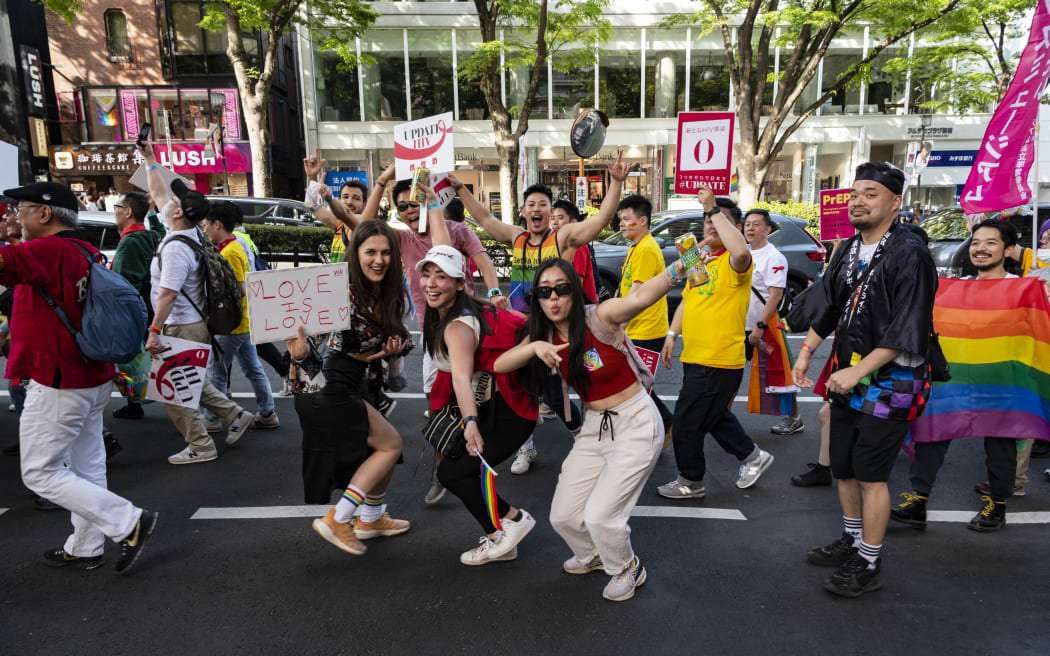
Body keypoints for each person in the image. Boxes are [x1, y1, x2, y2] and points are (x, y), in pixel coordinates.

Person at [495, 256, 686, 601]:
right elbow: (499, 363)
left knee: (601, 516)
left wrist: (685, 260)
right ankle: (595, 555)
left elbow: (642, 298)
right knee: (564, 515)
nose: (553, 298)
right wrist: (536, 346)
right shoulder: (544, 334)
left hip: (636, 422)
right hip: (596, 427)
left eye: (562, 289)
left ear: (575, 291)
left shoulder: (599, 317)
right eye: (544, 292)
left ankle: (627, 567)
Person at [792, 161, 937, 598]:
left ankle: (869, 561)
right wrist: (805, 353)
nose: (858, 200)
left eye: (870, 194)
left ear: (895, 203)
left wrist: (856, 370)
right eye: (855, 193)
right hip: (850, 376)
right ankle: (853, 541)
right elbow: (832, 307)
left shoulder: (910, 253)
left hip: (894, 381)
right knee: (845, 467)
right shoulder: (850, 250)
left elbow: (906, 329)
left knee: (872, 475)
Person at [0, 181, 157, 572]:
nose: (14, 215)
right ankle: (86, 546)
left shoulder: (45, 250)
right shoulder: (83, 249)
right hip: (91, 373)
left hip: (59, 378)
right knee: (87, 466)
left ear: (45, 213)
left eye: (21, 209)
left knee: (39, 472)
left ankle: (128, 521)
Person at [332, 164, 507, 503]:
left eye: (414, 202)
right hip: (432, 333)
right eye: (402, 206)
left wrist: (496, 289)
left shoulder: (454, 229)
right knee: (439, 401)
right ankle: (443, 467)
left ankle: (488, 460)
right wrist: (381, 181)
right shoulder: (400, 238)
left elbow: (481, 261)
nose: (409, 209)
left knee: (482, 397)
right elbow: (362, 228)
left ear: (428, 200)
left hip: (465, 327)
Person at [455, 153, 634, 473]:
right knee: (521, 389)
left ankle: (592, 437)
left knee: (579, 386)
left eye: (542, 204)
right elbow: (483, 218)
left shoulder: (562, 239)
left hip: (562, 331)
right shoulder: (516, 238)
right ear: (523, 211)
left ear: (550, 212)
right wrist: (461, 190)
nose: (536, 209)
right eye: (531, 204)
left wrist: (617, 182)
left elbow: (598, 222)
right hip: (524, 334)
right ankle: (530, 447)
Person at [287, 218, 413, 556]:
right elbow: (319, 351)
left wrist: (386, 352)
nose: (379, 259)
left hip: (349, 386)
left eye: (386, 252)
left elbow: (366, 349)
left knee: (380, 452)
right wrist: (299, 355)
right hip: (328, 388)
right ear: (354, 254)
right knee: (391, 445)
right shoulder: (338, 291)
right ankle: (338, 518)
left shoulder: (380, 293)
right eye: (370, 251)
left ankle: (371, 519)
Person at [890, 219, 1024, 532]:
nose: (980, 248)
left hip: (1001, 381)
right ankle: (917, 500)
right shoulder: (953, 288)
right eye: (976, 241)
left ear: (1007, 249)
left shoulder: (1023, 290)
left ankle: (997, 506)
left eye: (991, 242)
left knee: (1001, 444)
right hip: (954, 378)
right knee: (932, 430)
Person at [420, 241, 539, 565]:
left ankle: (512, 522)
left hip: (509, 413)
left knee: (454, 474)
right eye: (427, 273)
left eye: (441, 276)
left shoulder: (458, 325)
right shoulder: (466, 309)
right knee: (466, 471)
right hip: (499, 405)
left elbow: (460, 377)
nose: (431, 282)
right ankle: (503, 537)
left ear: (460, 283)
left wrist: (471, 423)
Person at [140, 144, 256, 464]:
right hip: (193, 324)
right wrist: (150, 160)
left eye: (175, 201)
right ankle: (236, 415)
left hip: (180, 325)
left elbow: (168, 295)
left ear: (179, 213)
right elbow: (160, 192)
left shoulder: (177, 248)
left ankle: (201, 446)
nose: (169, 202)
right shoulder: (188, 232)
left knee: (175, 393)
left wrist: (154, 330)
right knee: (193, 383)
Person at [657, 190, 774, 499]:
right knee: (713, 416)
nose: (711, 225)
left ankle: (690, 481)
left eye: (721, 222)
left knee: (686, 422)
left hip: (718, 360)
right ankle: (752, 456)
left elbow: (741, 252)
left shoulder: (737, 265)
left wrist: (711, 207)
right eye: (707, 221)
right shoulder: (698, 257)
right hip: (696, 357)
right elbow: (687, 300)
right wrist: (672, 335)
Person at [201, 201, 279, 430]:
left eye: (207, 224)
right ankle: (267, 414)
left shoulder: (230, 251)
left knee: (217, 373)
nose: (205, 229)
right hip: (242, 321)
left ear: (217, 224)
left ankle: (212, 419)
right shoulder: (232, 245)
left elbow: (242, 288)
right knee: (252, 368)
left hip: (232, 324)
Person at [615, 193, 676, 437]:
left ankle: (665, 424)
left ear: (642, 221)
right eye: (620, 218)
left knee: (638, 387)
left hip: (647, 330)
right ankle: (651, 429)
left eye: (626, 218)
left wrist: (616, 322)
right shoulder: (636, 247)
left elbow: (637, 294)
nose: (621, 223)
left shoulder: (647, 249)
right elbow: (626, 288)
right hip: (636, 328)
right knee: (633, 384)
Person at [743, 208, 803, 435]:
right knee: (729, 371)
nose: (750, 227)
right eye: (747, 223)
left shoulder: (774, 257)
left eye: (756, 224)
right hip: (740, 325)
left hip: (763, 327)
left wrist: (760, 326)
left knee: (780, 370)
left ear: (768, 230)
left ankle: (794, 417)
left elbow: (775, 295)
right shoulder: (744, 254)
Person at [110, 190, 165, 421]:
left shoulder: (129, 242)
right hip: (151, 308)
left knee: (129, 360)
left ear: (128, 212)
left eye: (117, 207)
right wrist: (151, 211)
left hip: (135, 312)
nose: (115, 212)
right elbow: (160, 230)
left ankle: (135, 403)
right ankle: (135, 403)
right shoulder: (150, 236)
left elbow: (124, 285)